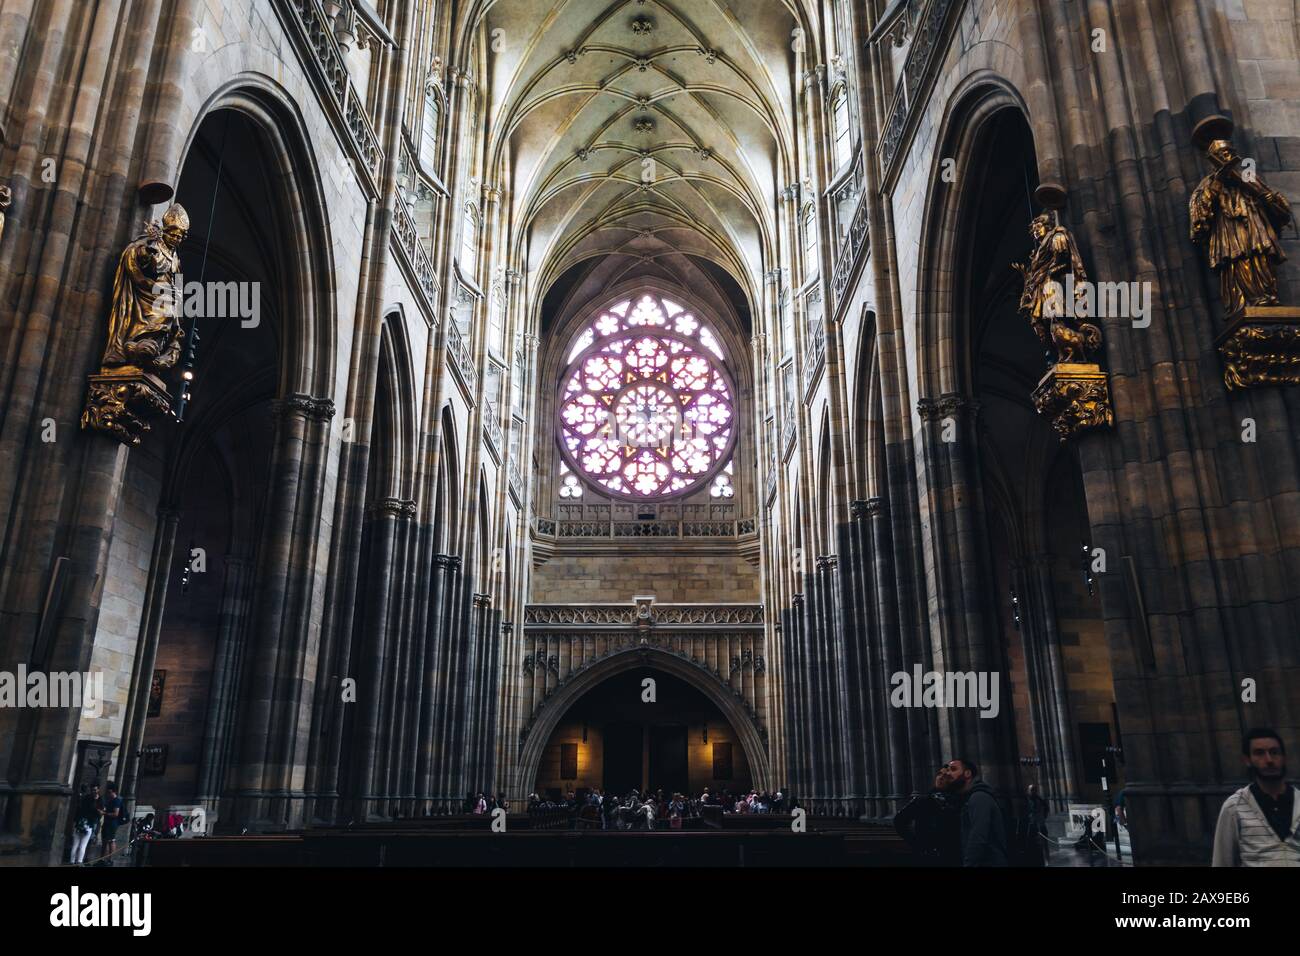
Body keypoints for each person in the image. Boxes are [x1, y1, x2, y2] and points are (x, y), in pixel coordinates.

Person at [1212, 727, 1300, 866]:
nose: (1269, 759)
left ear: (1284, 758)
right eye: (1259, 753)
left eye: (1274, 752)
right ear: (1247, 760)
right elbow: (1222, 861)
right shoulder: (1234, 806)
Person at [941, 758, 1008, 867]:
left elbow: (978, 836)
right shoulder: (966, 799)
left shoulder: (979, 797)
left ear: (967, 773)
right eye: (947, 770)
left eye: (953, 769)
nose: (948, 773)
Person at [894, 767, 961, 866]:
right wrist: (916, 843)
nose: (940, 778)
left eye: (946, 776)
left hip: (952, 855)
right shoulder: (922, 801)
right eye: (939, 774)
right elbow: (899, 821)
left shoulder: (957, 802)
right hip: (928, 855)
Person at [69, 783, 100, 864]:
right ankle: (79, 861)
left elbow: (76, 814)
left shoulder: (81, 804)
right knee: (83, 845)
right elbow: (97, 814)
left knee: (75, 844)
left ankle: (72, 861)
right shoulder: (93, 805)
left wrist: (75, 824)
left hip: (79, 825)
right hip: (88, 825)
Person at [98, 782, 124, 864]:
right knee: (105, 840)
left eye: (109, 792)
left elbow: (116, 813)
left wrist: (105, 813)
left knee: (111, 840)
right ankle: (102, 859)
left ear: (113, 791)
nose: (108, 794)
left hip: (112, 824)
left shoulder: (116, 801)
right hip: (107, 823)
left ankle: (110, 859)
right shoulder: (110, 800)